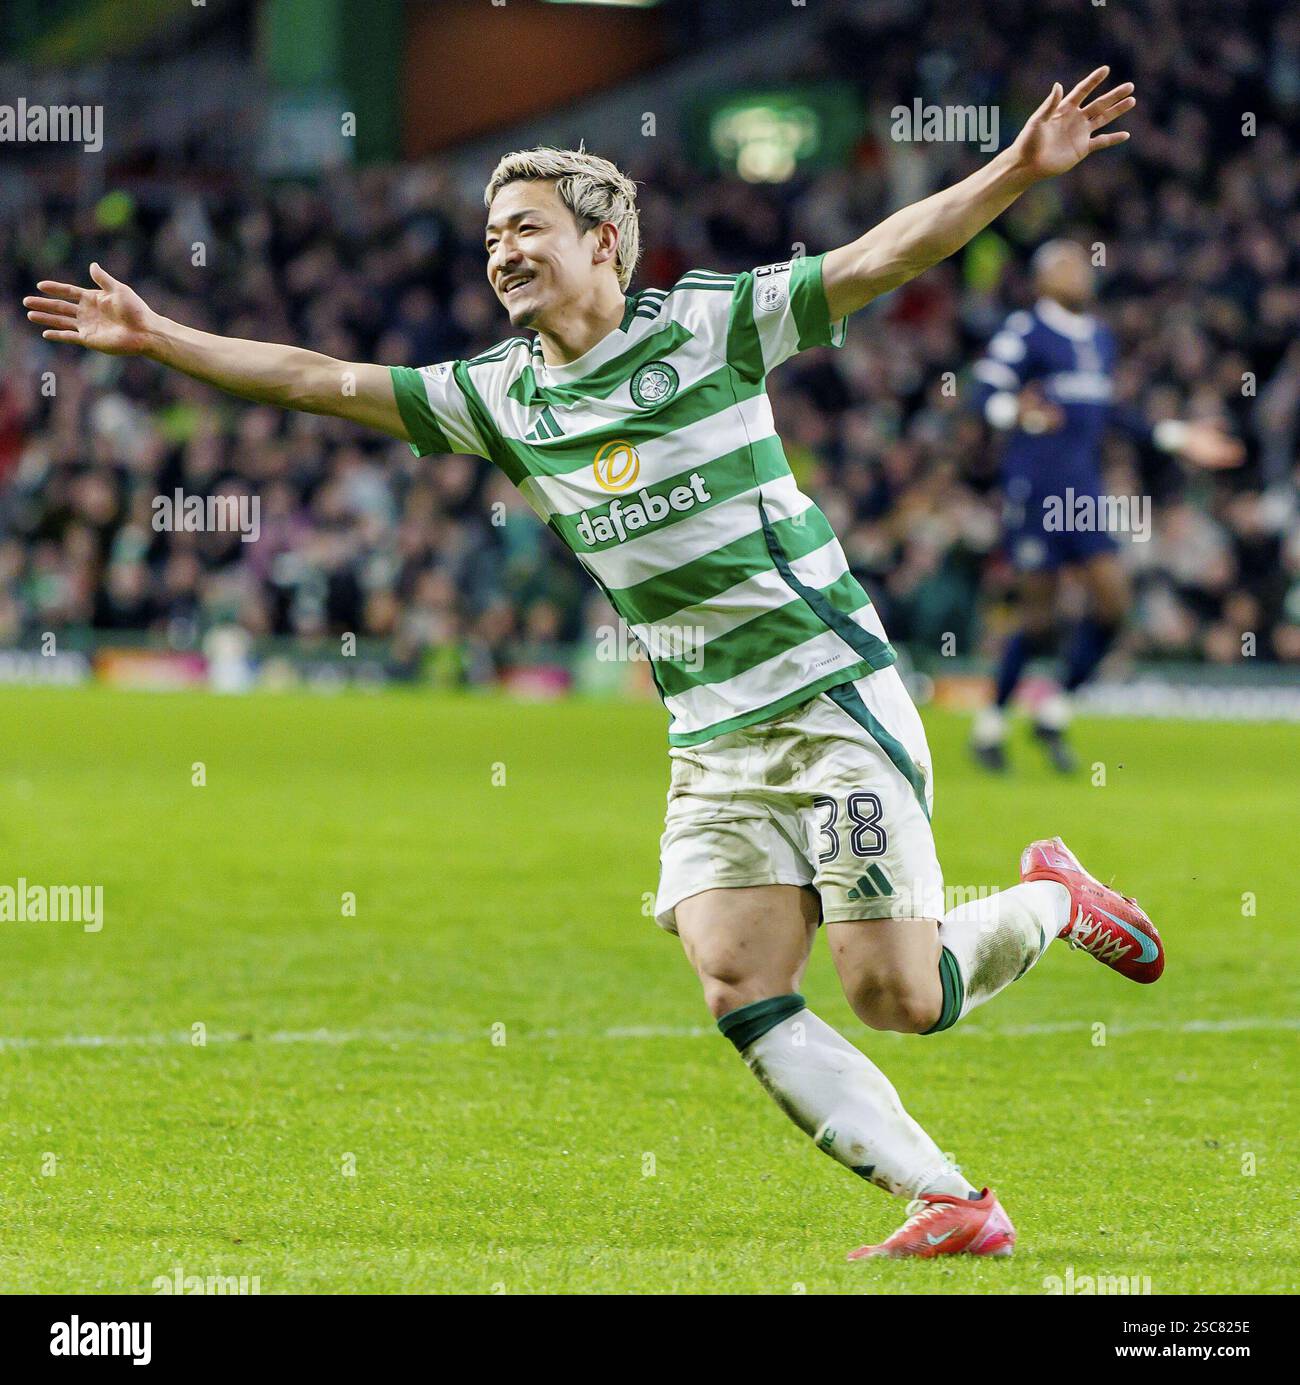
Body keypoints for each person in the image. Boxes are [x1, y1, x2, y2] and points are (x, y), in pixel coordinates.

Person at [25, 69, 1165, 1260]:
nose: (500, 252)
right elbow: (318, 379)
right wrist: (161, 338)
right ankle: (949, 1197)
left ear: (605, 239)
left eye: (525, 228)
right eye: (488, 237)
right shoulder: (498, 395)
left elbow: (881, 254)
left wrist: (1018, 171)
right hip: (711, 734)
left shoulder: (711, 326)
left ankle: (1049, 896)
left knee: (896, 993)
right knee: (736, 980)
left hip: (826, 695)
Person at [970, 239, 1244, 772]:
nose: (1080, 272)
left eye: (1082, 263)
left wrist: (1177, 435)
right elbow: (985, 393)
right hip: (1035, 488)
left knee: (1114, 605)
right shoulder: (1026, 330)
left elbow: (1112, 411)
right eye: (1066, 263)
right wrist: (1015, 413)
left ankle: (1052, 706)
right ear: (1042, 277)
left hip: (1083, 493)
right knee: (1040, 616)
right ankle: (992, 724)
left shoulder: (1098, 337)